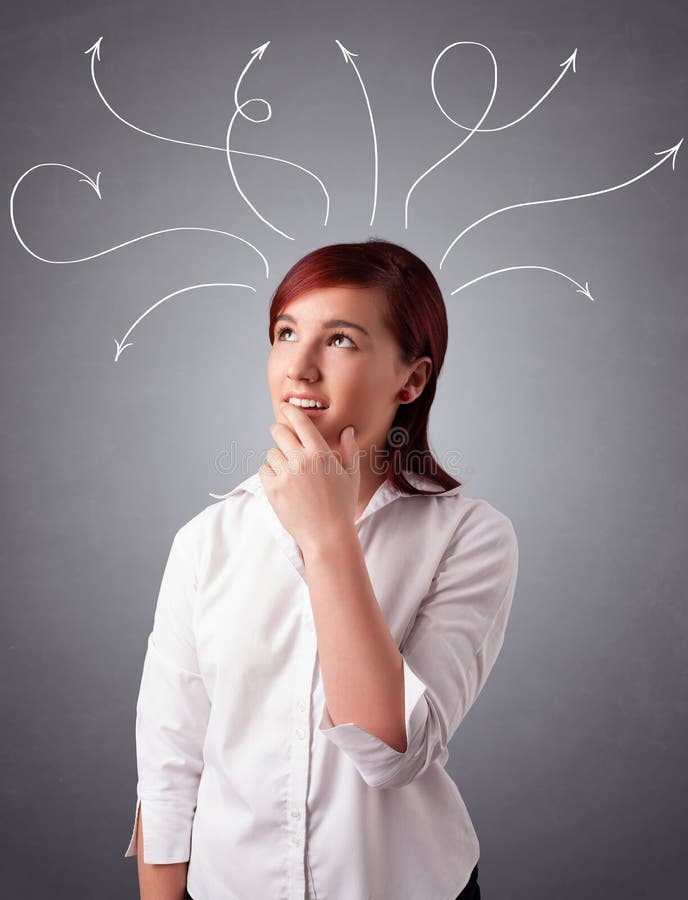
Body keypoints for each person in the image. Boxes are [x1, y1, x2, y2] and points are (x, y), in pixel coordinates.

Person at [123, 238, 518, 899]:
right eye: (285, 332)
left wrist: (327, 535)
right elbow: (168, 769)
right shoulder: (205, 542)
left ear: (411, 379)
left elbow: (392, 751)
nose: (298, 368)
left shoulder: (469, 537)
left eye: (340, 340)